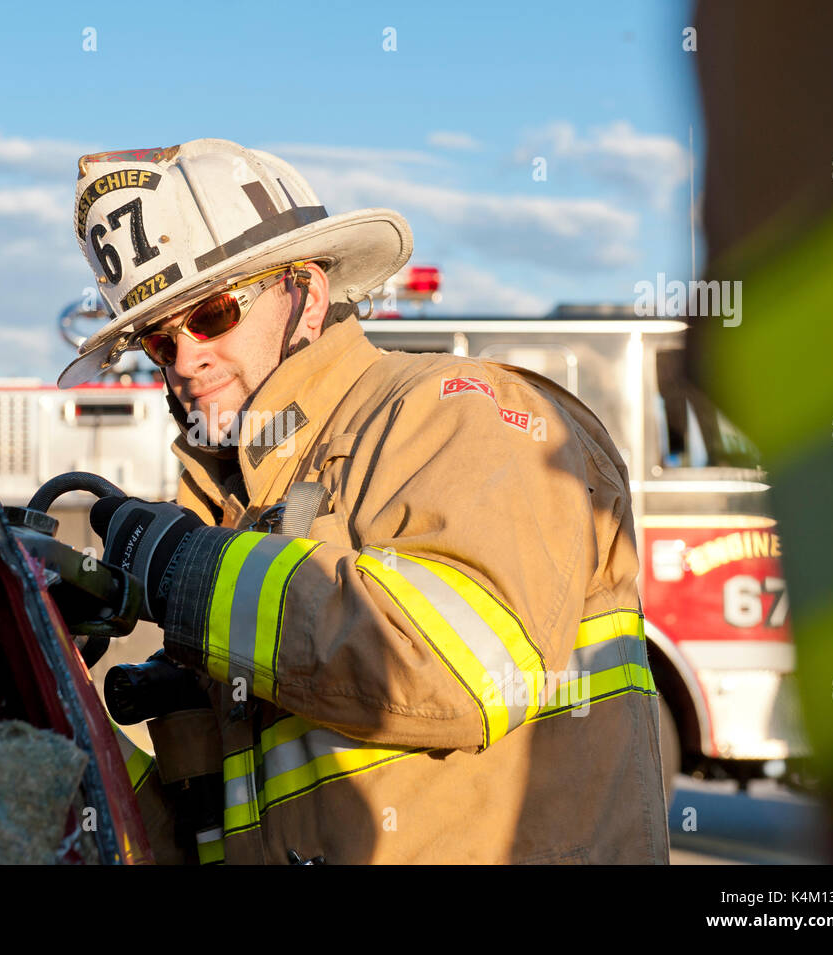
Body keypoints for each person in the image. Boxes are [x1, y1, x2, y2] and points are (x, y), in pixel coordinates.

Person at [59, 138, 670, 864]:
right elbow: (203, 846)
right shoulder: (237, 515)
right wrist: (51, 716)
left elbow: (459, 667)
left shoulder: (460, 412)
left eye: (214, 313)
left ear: (307, 297)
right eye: (160, 341)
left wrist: (184, 571)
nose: (186, 356)